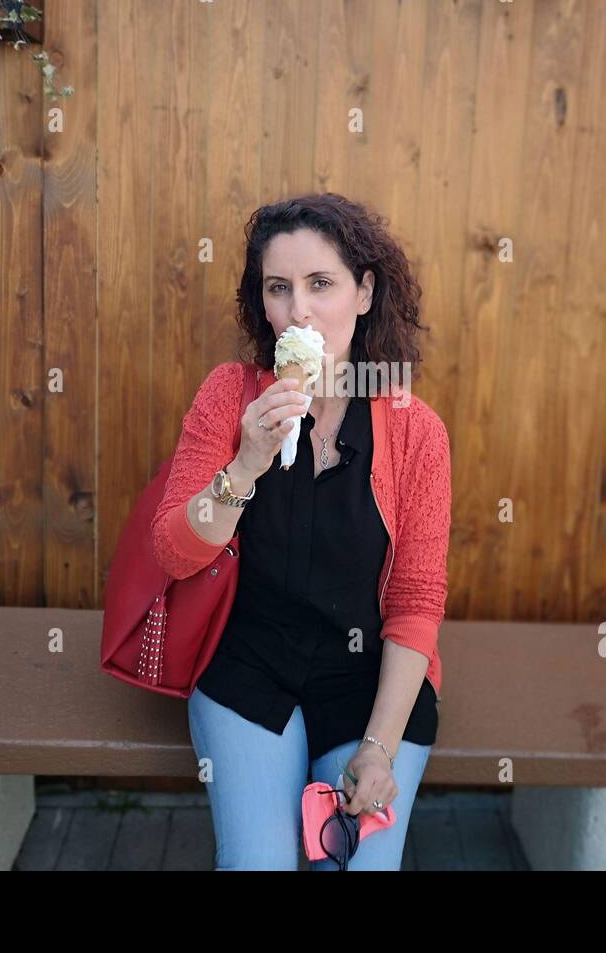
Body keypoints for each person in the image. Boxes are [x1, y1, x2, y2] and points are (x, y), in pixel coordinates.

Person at [150, 192, 452, 870]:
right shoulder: (231, 396)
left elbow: (415, 602)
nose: (300, 310)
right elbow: (173, 549)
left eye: (322, 284)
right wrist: (246, 462)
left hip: (368, 677)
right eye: (278, 288)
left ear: (365, 292)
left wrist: (378, 747)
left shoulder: (415, 430)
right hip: (248, 664)